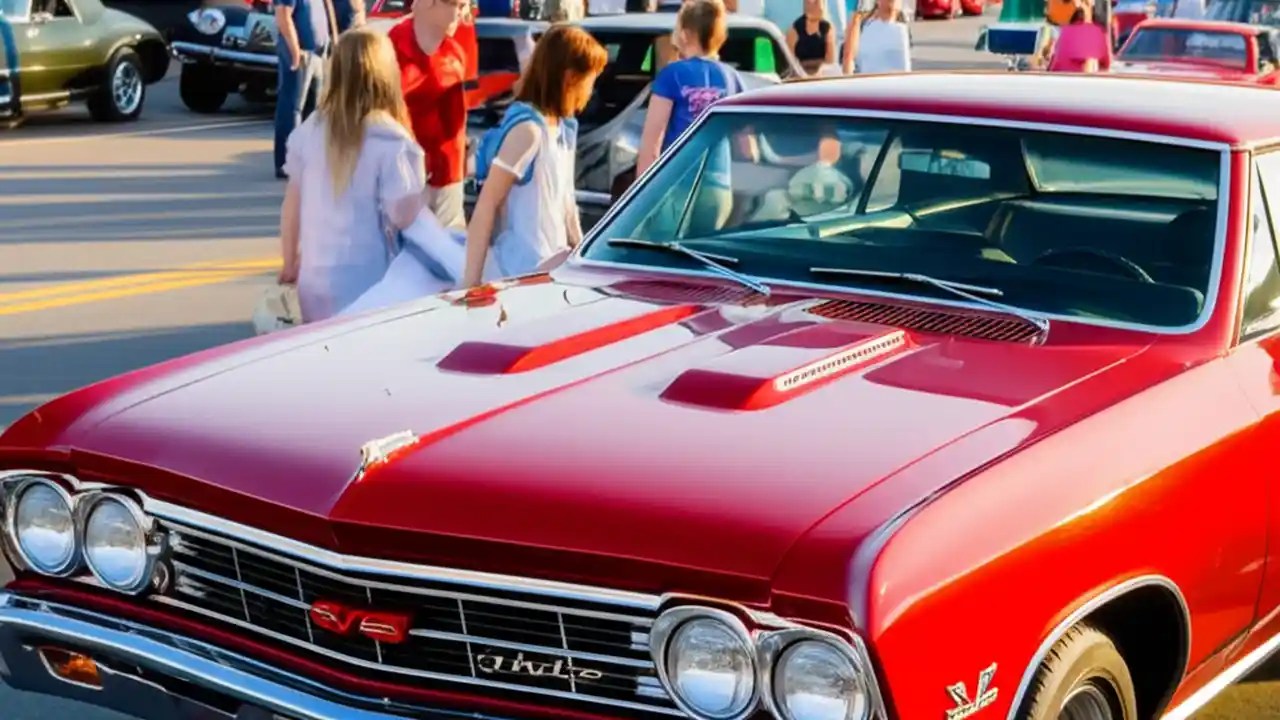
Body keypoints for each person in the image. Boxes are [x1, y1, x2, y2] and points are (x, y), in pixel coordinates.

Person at [277, 28, 427, 323]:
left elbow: (292, 204)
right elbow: (408, 219)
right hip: (369, 285)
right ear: (387, 75)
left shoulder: (311, 129)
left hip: (314, 281)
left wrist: (289, 261)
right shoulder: (391, 140)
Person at [460, 24, 608, 287]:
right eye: (590, 79)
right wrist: (470, 285)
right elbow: (487, 205)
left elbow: (566, 204)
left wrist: (584, 256)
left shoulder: (562, 129)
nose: (591, 89)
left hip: (551, 270)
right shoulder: (528, 131)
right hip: (519, 274)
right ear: (570, 77)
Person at [389, 0, 472, 230]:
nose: (463, 14)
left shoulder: (456, 52)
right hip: (404, 175)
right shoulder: (391, 48)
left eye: (466, 6)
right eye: (458, 5)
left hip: (449, 176)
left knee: (449, 255)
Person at [273, 0, 336, 179]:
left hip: (318, 54)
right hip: (301, 54)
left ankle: (308, 160)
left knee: (314, 111)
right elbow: (283, 15)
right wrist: (295, 51)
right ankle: (286, 162)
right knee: (293, 107)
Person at [842, 0, 911, 73]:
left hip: (899, 82)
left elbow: (905, 68)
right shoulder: (860, 23)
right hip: (867, 82)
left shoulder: (903, 27)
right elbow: (848, 59)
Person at [1045, 0, 1111, 72]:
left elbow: (1055, 64)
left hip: (1060, 77)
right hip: (1083, 78)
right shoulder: (1099, 33)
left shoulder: (1065, 31)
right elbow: (1106, 64)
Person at [788, 0, 837, 75]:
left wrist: (820, 71)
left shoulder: (827, 28)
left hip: (822, 73)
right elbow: (789, 58)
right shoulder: (796, 28)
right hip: (799, 73)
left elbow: (830, 60)